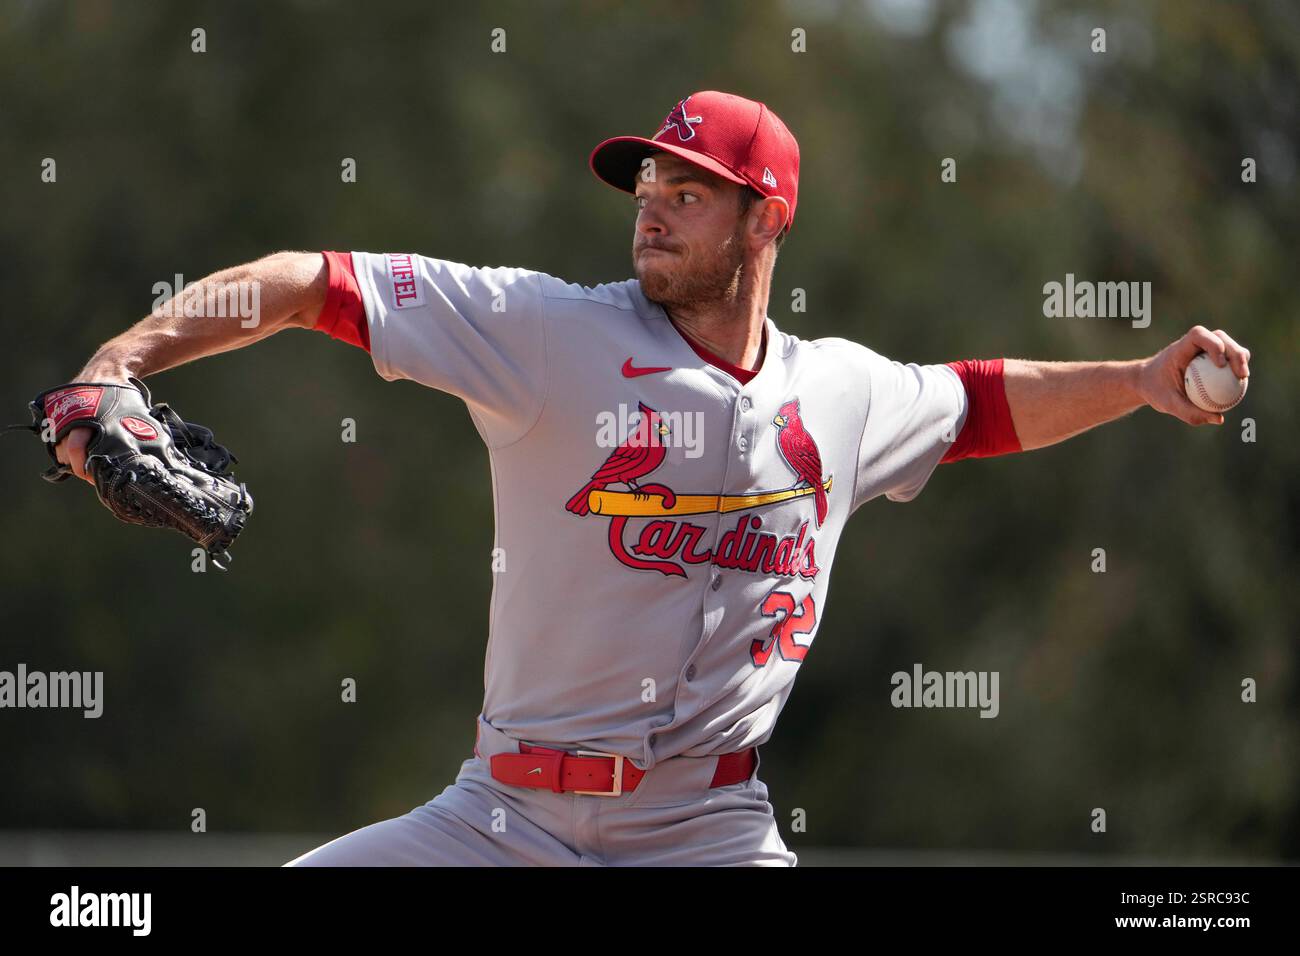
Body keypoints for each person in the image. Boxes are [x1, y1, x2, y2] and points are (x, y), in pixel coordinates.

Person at [53, 91, 1250, 866]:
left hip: (705, 829)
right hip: (502, 819)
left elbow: (981, 400)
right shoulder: (547, 331)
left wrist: (1139, 378)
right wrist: (121, 359)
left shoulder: (839, 390)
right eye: (647, 192)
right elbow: (310, 280)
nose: (654, 215)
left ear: (763, 218)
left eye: (689, 194)